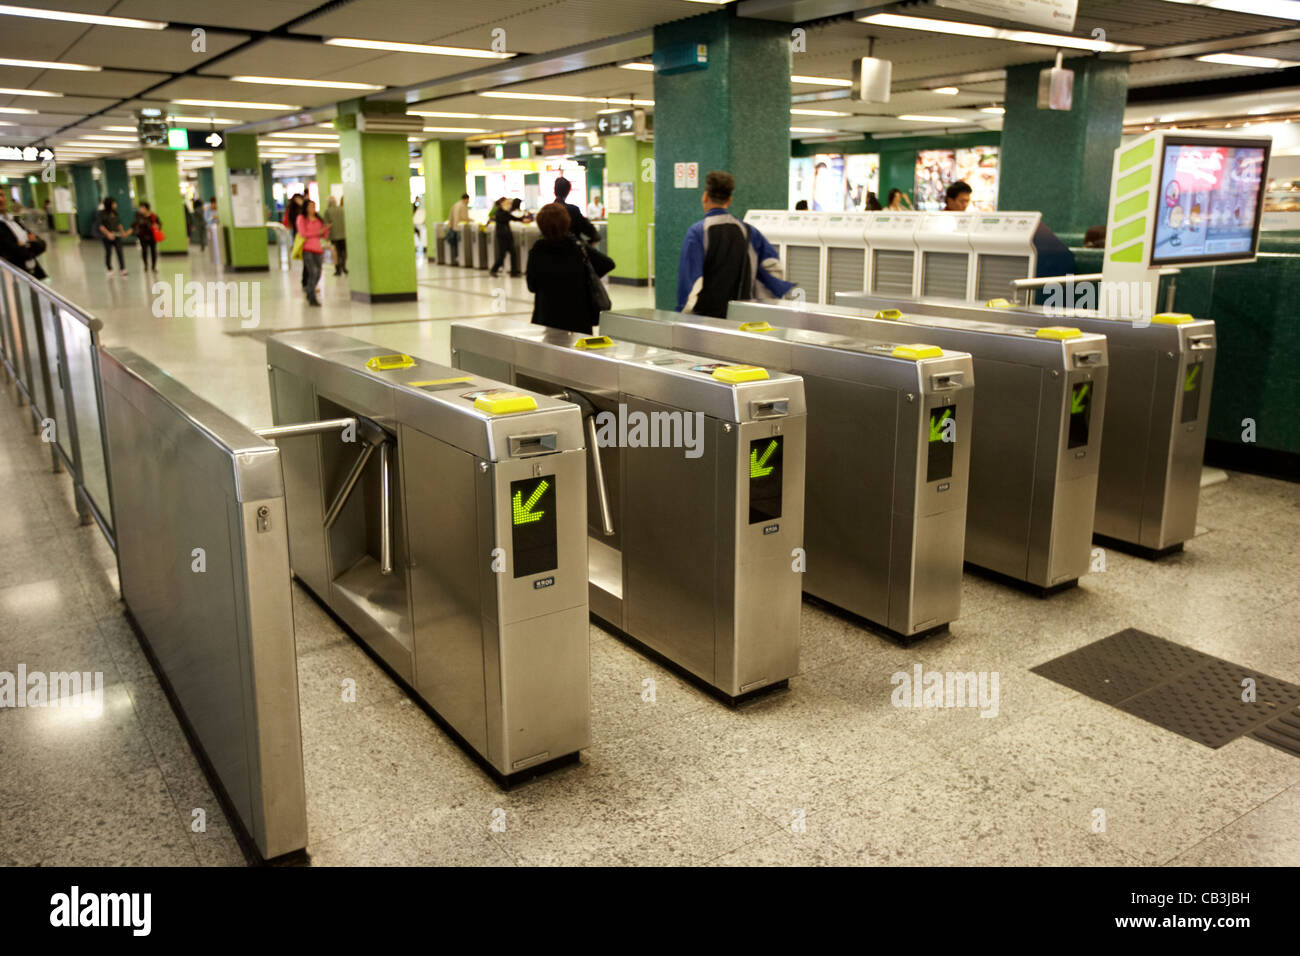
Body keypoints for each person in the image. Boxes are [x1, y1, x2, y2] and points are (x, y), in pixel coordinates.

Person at [676, 170, 795, 318]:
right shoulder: (749, 232)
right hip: (741, 317)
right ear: (730, 200)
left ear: (705, 197)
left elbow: (691, 285)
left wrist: (681, 316)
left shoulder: (697, 233)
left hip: (706, 319)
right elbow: (773, 267)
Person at [526, 202, 614, 334]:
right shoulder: (578, 247)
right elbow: (607, 263)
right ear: (566, 222)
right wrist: (587, 276)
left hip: (547, 317)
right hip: (579, 317)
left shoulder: (537, 250)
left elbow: (532, 286)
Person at [0, 191, 47, 278]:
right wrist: (30, 243)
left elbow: (42, 245)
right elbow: (14, 253)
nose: (1, 199)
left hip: (33, 273)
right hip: (14, 277)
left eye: (2, 195)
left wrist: (25, 245)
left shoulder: (13, 220)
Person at [295, 199, 330, 307]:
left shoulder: (318, 220)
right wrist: (317, 232)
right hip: (307, 249)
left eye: (314, 207)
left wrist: (326, 229)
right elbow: (303, 233)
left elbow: (323, 235)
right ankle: (312, 296)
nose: (312, 209)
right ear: (305, 208)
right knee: (313, 271)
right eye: (310, 207)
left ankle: (310, 291)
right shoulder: (301, 219)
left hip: (318, 249)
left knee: (318, 272)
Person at [553, 177, 597, 243]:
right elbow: (594, 235)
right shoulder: (573, 210)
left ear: (554, 190)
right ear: (568, 192)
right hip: (571, 250)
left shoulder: (546, 211)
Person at [488, 196, 524, 277]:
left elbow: (512, 217)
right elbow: (505, 218)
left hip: (508, 235)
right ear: (502, 203)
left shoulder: (505, 212)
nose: (509, 204)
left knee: (513, 253)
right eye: (507, 202)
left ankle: (514, 272)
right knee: (502, 254)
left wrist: (522, 219)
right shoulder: (499, 212)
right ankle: (494, 269)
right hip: (502, 235)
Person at [95, 197, 128, 277]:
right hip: (106, 236)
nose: (115, 205)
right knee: (108, 252)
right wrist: (108, 234)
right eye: (114, 203)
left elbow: (118, 224)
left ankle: (122, 269)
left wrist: (123, 232)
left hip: (117, 235)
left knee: (119, 252)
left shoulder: (115, 213)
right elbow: (100, 226)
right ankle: (109, 268)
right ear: (110, 204)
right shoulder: (102, 214)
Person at [131, 201, 160, 273]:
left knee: (153, 251)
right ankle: (146, 265)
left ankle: (153, 266)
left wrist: (157, 226)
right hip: (143, 236)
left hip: (152, 236)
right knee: (144, 251)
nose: (140, 209)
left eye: (141, 208)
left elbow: (158, 224)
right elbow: (134, 225)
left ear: (145, 208)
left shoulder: (153, 216)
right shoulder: (139, 216)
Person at [323, 195, 347, 276]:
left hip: (334, 235)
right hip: (343, 234)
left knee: (335, 252)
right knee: (343, 251)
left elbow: (326, 224)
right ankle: (343, 266)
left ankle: (338, 268)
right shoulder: (342, 209)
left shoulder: (327, 211)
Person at [445, 192, 469, 265]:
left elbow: (450, 216)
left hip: (454, 227)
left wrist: (450, 226)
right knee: (460, 244)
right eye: (468, 200)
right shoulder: (463, 206)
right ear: (466, 199)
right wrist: (471, 220)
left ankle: (455, 259)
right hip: (460, 229)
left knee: (455, 245)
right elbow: (464, 218)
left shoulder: (455, 205)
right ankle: (460, 259)